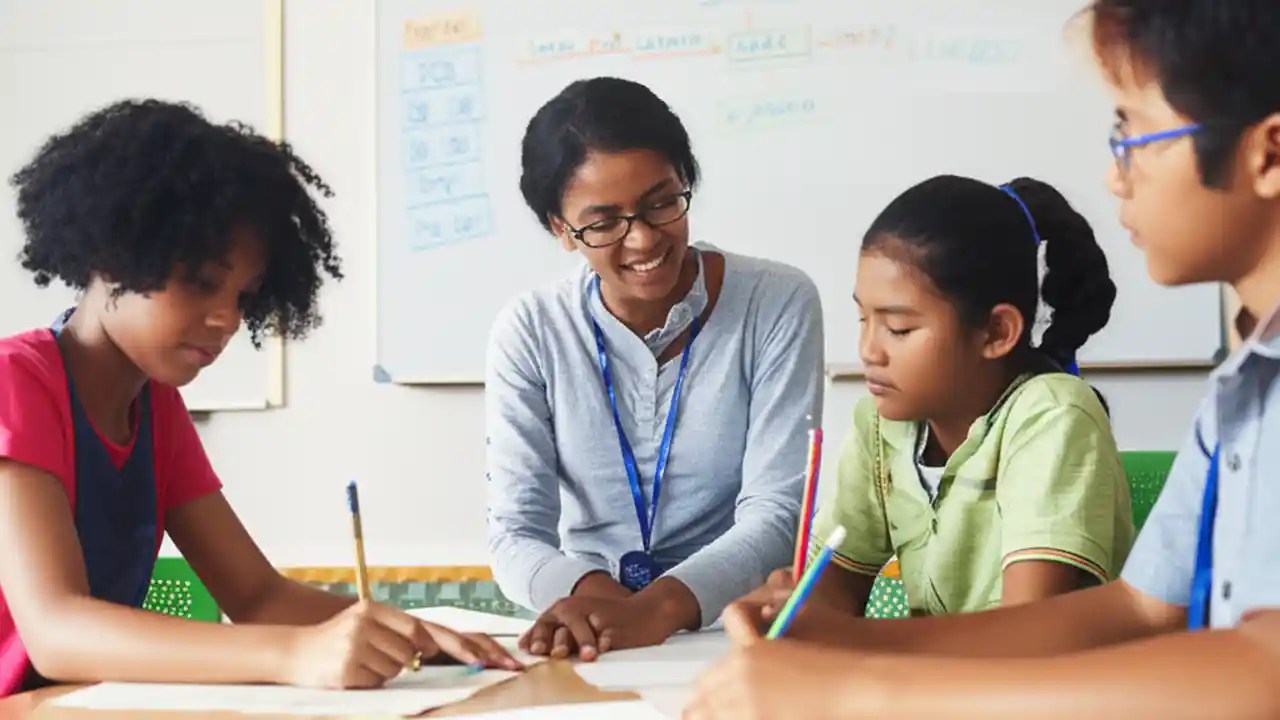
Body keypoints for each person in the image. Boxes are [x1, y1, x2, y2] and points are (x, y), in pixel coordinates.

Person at [683, 1, 1280, 717]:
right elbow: (1142, 607)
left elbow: (1266, 664)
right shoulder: (1243, 387)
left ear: (1269, 154)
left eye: (1135, 136)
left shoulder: (1062, 413)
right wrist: (840, 641)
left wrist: (860, 687)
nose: (1115, 178)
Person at [0, 99, 518, 698]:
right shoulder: (16, 383)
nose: (227, 319)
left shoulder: (155, 406)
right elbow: (56, 631)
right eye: (201, 283)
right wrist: (296, 653)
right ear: (112, 258)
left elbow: (257, 595)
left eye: (244, 296)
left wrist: (417, 634)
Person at [485, 77, 824, 660]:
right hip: (588, 632)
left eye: (661, 203)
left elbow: (778, 513)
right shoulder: (531, 330)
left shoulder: (776, 301)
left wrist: (655, 611)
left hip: (733, 630)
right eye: (603, 222)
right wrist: (603, 606)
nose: (643, 239)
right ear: (561, 229)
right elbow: (515, 535)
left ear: (684, 181)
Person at [791, 174, 1132, 619]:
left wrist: (848, 637)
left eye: (898, 328)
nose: (869, 350)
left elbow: (1027, 629)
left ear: (996, 332)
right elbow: (832, 586)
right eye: (863, 320)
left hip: (1048, 665)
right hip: (937, 666)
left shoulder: (1054, 416)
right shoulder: (880, 425)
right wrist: (793, 612)